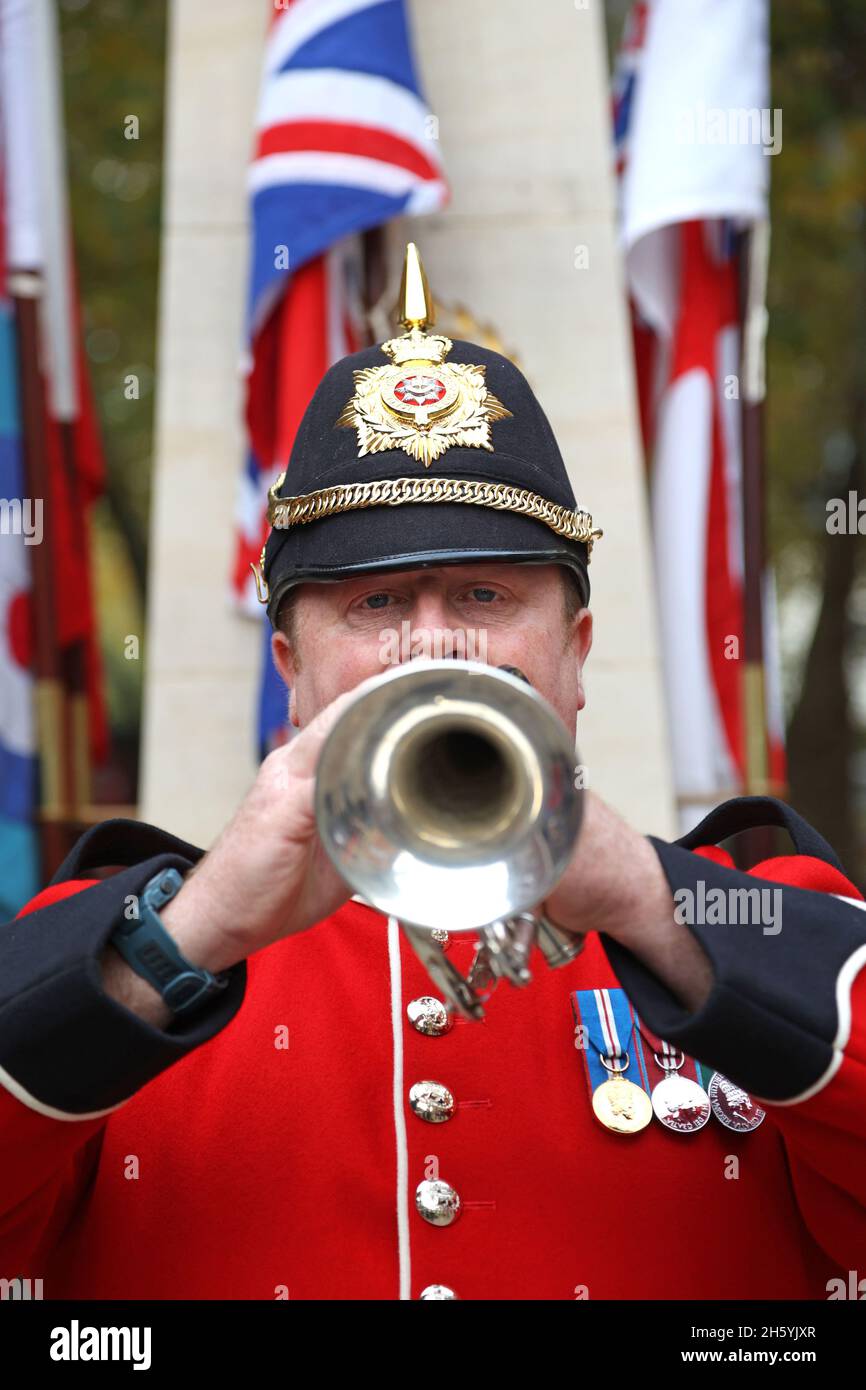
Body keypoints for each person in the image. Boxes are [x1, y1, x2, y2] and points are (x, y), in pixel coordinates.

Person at [1, 247, 864, 1302]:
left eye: (484, 597)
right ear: (291, 670)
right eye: (374, 605)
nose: (432, 647)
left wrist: (649, 899)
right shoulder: (120, 956)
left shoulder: (763, 925)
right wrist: (182, 938)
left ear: (575, 650)